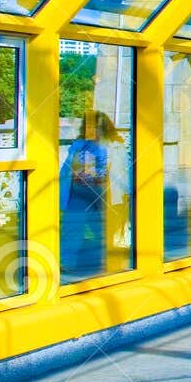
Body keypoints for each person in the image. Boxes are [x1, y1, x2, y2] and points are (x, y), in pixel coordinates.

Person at [59, 110, 122, 280]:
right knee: (72, 227)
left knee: (103, 228)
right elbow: (67, 167)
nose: (93, 130)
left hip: (102, 192)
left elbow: (119, 171)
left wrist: (127, 193)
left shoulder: (111, 145)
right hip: (79, 191)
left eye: (97, 126)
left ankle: (109, 261)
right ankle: (67, 262)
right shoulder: (78, 145)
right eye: (89, 126)